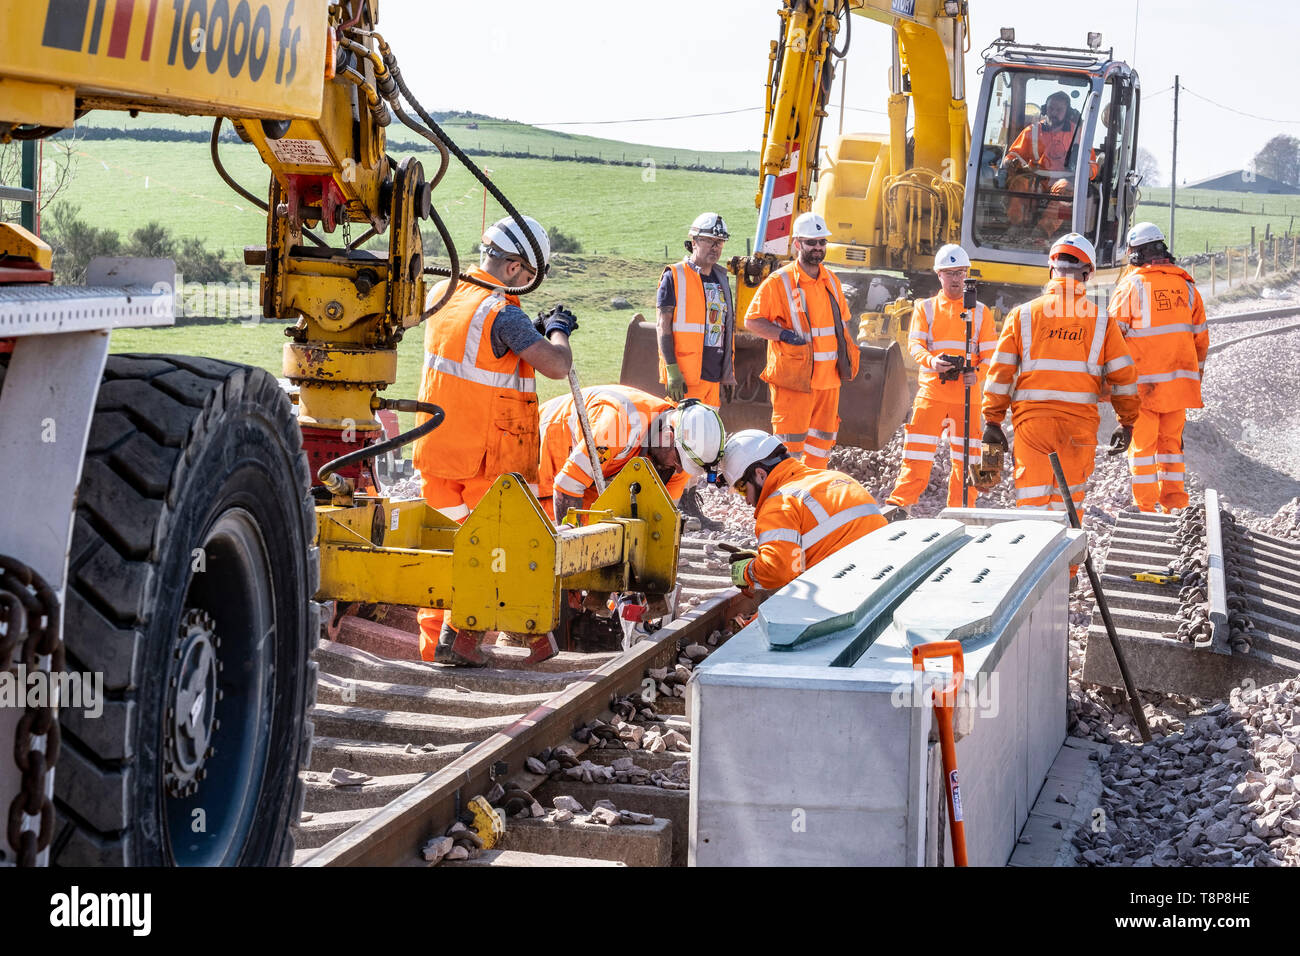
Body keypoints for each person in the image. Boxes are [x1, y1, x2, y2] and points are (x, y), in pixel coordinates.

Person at [413, 214, 577, 667]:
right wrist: (558, 327)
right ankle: (464, 642)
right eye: (527, 277)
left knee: (446, 556)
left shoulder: (442, 295)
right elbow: (556, 365)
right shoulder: (502, 312)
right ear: (512, 268)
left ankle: (434, 654)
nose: (526, 286)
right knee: (494, 553)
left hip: (437, 454)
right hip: (485, 462)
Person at [981, 233, 1140, 516]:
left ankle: (1032, 555)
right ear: (1088, 274)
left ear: (1051, 270)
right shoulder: (1101, 320)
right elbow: (1124, 378)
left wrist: (993, 420)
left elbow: (1000, 373)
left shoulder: (1022, 315)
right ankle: (1067, 562)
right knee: (1068, 508)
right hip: (1078, 428)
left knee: (1031, 506)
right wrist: (1127, 422)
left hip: (1033, 423)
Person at [886, 244, 998, 513]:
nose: (956, 279)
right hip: (931, 395)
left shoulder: (980, 312)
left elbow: (991, 355)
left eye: (960, 272)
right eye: (950, 273)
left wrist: (977, 374)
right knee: (916, 456)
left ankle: (961, 513)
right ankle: (899, 507)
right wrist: (932, 362)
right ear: (939, 275)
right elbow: (915, 346)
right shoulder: (925, 308)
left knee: (969, 460)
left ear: (967, 274)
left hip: (967, 397)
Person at [743, 212, 860, 466]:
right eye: (811, 242)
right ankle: (786, 502)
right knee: (788, 453)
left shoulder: (832, 281)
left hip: (829, 383)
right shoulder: (779, 281)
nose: (818, 248)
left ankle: (811, 500)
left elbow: (842, 325)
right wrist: (782, 334)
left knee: (820, 451)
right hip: (794, 382)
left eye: (821, 242)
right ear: (798, 244)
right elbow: (752, 321)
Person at [1107, 222, 1209, 512]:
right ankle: (1175, 504)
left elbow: (1112, 341)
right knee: (1171, 448)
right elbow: (1201, 340)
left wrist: (1110, 388)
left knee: (1142, 451)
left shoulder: (1131, 287)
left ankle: (1147, 508)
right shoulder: (1187, 287)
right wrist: (1193, 380)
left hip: (1142, 389)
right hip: (1178, 389)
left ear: (1134, 253)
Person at [718, 429, 886, 591]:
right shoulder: (838, 478)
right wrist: (771, 554)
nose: (746, 500)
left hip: (853, 587)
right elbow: (822, 547)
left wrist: (748, 571)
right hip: (888, 575)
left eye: (742, 489)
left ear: (760, 474)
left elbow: (777, 571)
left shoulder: (778, 504)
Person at [537, 386, 725, 522]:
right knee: (543, 530)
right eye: (678, 462)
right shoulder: (617, 427)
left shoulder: (680, 455)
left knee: (596, 527)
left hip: (596, 470)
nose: (678, 470)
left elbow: (659, 519)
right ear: (667, 436)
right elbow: (567, 487)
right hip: (545, 441)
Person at [657, 213, 737, 408]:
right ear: (694, 242)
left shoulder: (722, 279)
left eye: (720, 242)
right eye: (709, 241)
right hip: (685, 379)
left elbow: (724, 329)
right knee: (684, 435)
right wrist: (672, 369)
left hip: (714, 378)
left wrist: (727, 374)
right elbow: (662, 326)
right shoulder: (675, 275)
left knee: (709, 436)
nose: (715, 247)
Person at [1001, 91, 1098, 235]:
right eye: (1051, 108)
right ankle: (1017, 226)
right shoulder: (1031, 131)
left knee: (1064, 188)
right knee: (1019, 183)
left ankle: (1042, 231)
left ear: (1067, 112)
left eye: (1059, 110)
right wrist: (1009, 162)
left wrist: (1086, 171)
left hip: (1063, 181)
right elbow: (1013, 154)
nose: (1054, 113)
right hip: (1036, 180)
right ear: (1045, 109)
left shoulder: (1079, 134)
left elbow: (1092, 165)